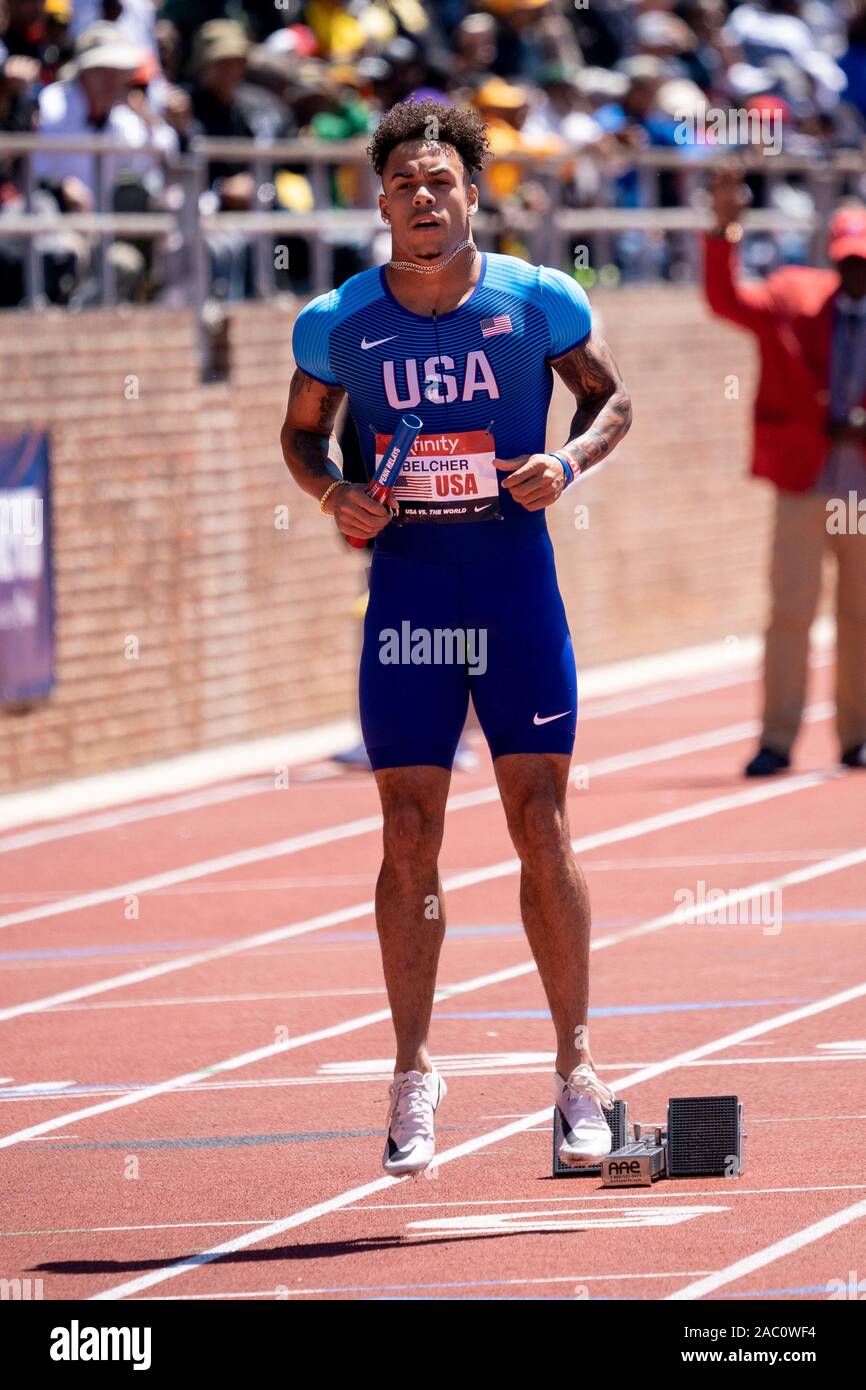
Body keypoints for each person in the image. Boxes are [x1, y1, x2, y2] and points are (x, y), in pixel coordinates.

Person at [281, 99, 632, 1176]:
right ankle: (411, 1076)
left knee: (539, 818)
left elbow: (610, 402)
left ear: (471, 194)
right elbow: (300, 437)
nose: (422, 200)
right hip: (411, 592)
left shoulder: (537, 299)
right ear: (377, 200)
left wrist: (564, 466)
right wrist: (335, 492)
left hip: (513, 581)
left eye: (440, 182)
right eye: (403, 185)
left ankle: (576, 1070)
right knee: (404, 830)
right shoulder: (335, 321)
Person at [704, 169, 866, 776]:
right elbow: (728, 299)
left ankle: (857, 735)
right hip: (804, 481)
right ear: (832, 258)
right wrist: (725, 229)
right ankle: (777, 738)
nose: (856, 274)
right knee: (790, 610)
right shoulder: (797, 295)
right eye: (848, 261)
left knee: (861, 614)